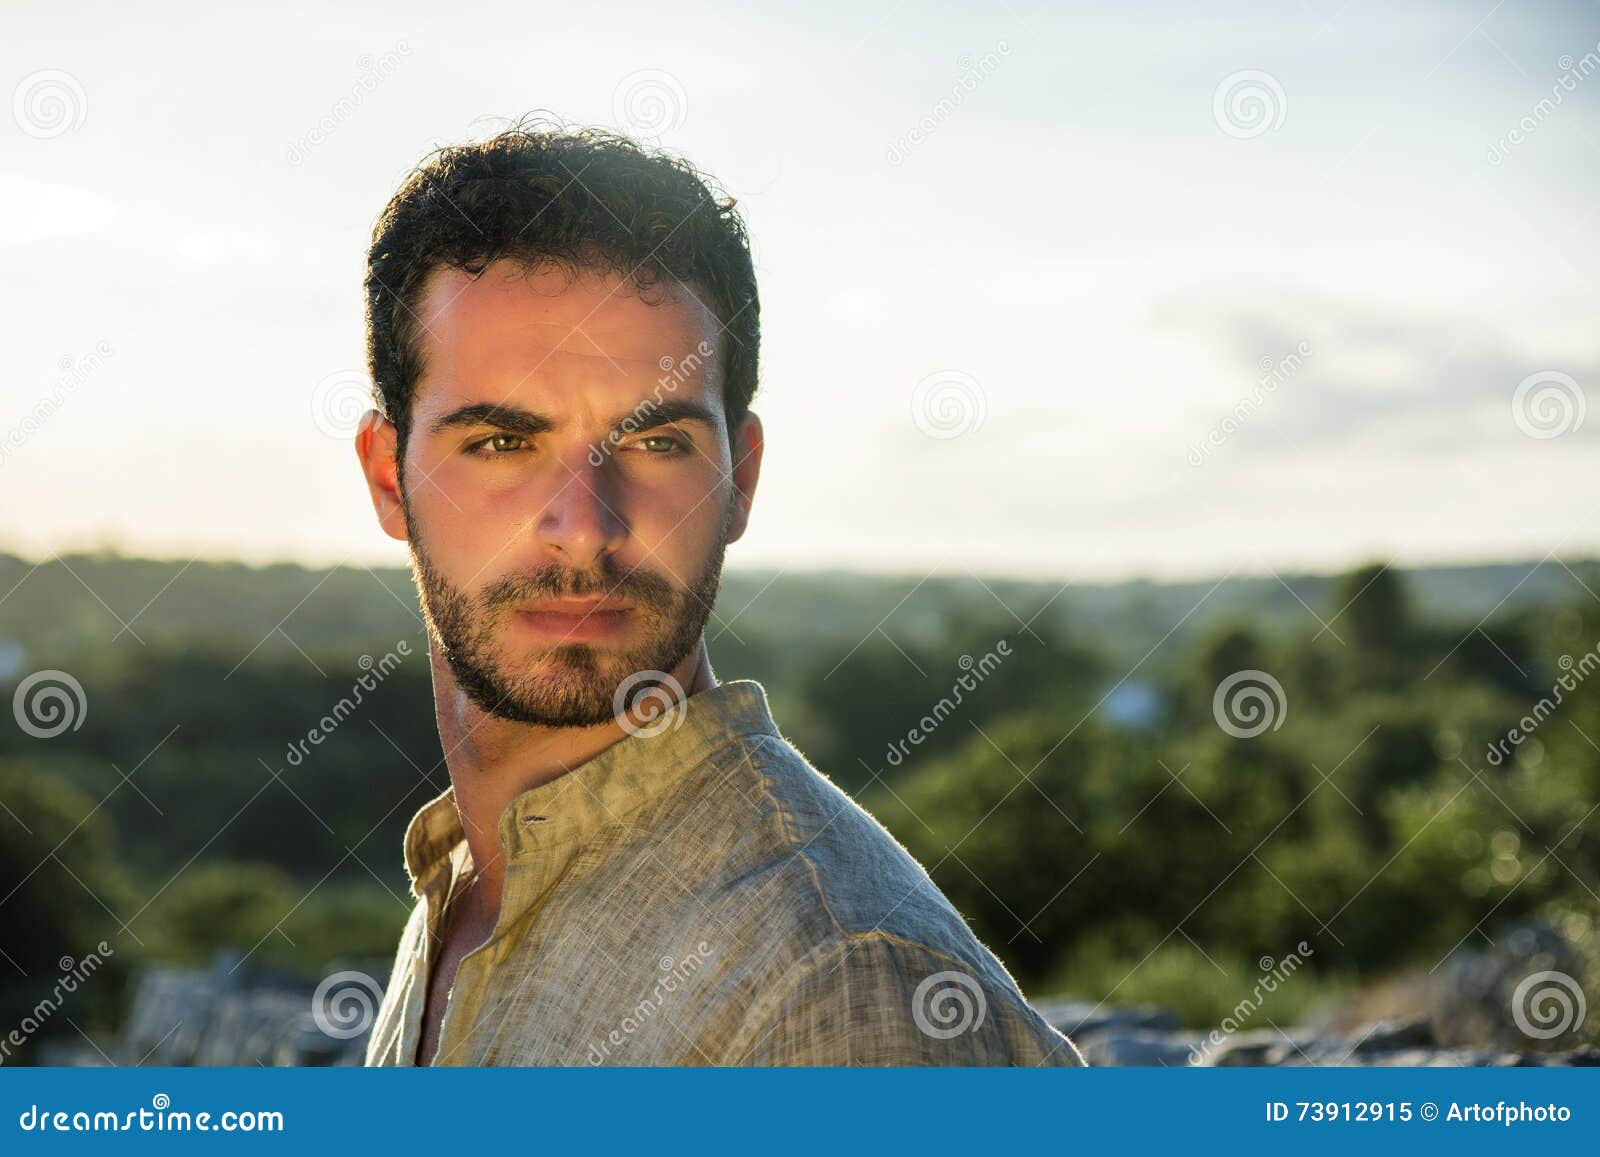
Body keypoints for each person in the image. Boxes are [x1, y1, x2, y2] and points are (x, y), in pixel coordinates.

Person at [353, 122, 1082, 1066]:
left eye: (657, 443)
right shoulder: (465, 883)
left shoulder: (839, 990)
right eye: (501, 443)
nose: (584, 524)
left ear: (740, 476)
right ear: (386, 478)